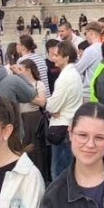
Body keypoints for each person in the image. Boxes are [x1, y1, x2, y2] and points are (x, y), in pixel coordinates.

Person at [45, 40, 84, 180]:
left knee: (59, 171)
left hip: (62, 127)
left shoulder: (64, 78)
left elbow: (52, 106)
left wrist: (48, 105)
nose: (54, 58)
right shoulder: (73, 74)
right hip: (70, 123)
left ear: (66, 57)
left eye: (57, 55)